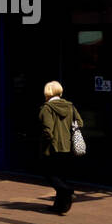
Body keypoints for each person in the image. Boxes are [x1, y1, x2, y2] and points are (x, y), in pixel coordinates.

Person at [40, 80, 84, 214]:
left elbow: (47, 130)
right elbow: (80, 123)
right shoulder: (70, 106)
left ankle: (67, 191)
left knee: (50, 174)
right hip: (68, 147)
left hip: (53, 148)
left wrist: (48, 141)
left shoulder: (47, 108)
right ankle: (60, 206)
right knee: (61, 175)